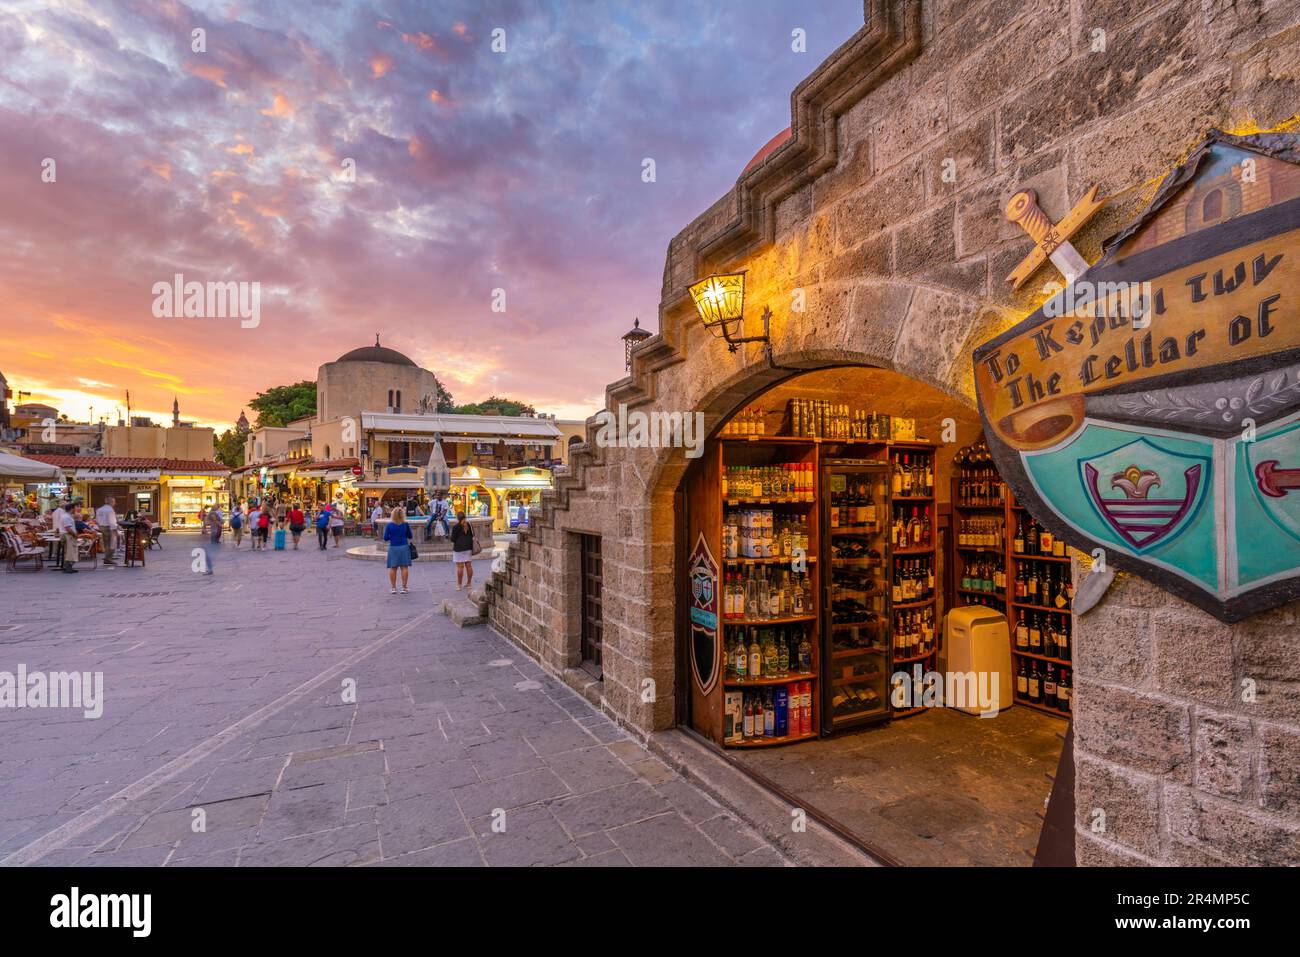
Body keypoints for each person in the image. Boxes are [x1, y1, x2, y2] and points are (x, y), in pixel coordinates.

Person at [383, 506, 413, 594]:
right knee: (404, 567)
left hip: (393, 547)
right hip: (404, 547)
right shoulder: (405, 524)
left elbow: (385, 538)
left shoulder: (389, 525)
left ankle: (393, 588)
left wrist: (392, 537)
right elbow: (410, 536)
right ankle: (404, 588)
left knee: (393, 568)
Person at [450, 511, 475, 591]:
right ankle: (469, 584)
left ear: (457, 518)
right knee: (469, 566)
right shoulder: (469, 525)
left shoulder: (456, 527)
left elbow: (453, 539)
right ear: (465, 517)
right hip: (468, 547)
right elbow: (473, 535)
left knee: (460, 568)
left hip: (459, 548)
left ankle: (459, 585)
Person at [52, 500, 79, 573]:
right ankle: (68, 567)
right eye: (75, 508)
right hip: (67, 535)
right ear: (72, 509)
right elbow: (68, 528)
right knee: (70, 551)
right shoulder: (66, 517)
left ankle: (67, 566)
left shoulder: (66, 516)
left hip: (66, 534)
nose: (76, 510)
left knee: (68, 551)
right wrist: (74, 534)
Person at [95, 496, 120, 565]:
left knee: (105, 544)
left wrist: (100, 526)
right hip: (109, 528)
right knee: (111, 544)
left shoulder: (99, 509)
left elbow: (97, 519)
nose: (115, 503)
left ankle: (107, 557)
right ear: (111, 502)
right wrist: (115, 529)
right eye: (114, 502)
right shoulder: (110, 510)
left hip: (101, 527)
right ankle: (108, 559)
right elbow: (112, 521)